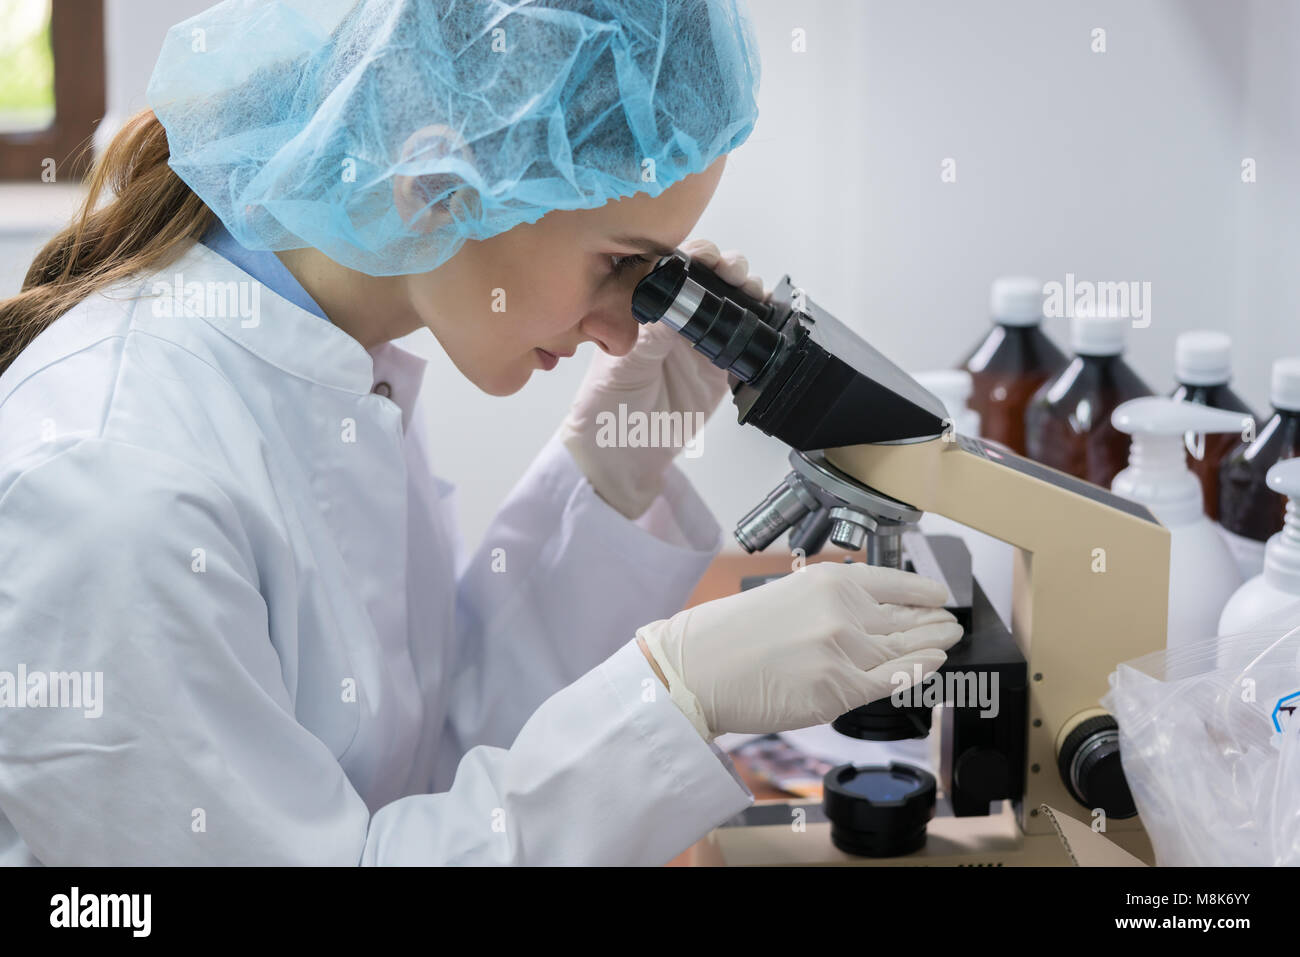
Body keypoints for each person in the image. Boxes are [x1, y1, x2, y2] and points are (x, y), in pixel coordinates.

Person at [0, 0, 961, 865]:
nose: (630, 326)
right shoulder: (114, 484)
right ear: (437, 182)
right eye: (624, 262)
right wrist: (675, 694)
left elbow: (432, 753)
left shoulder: (326, 361)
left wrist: (612, 468)